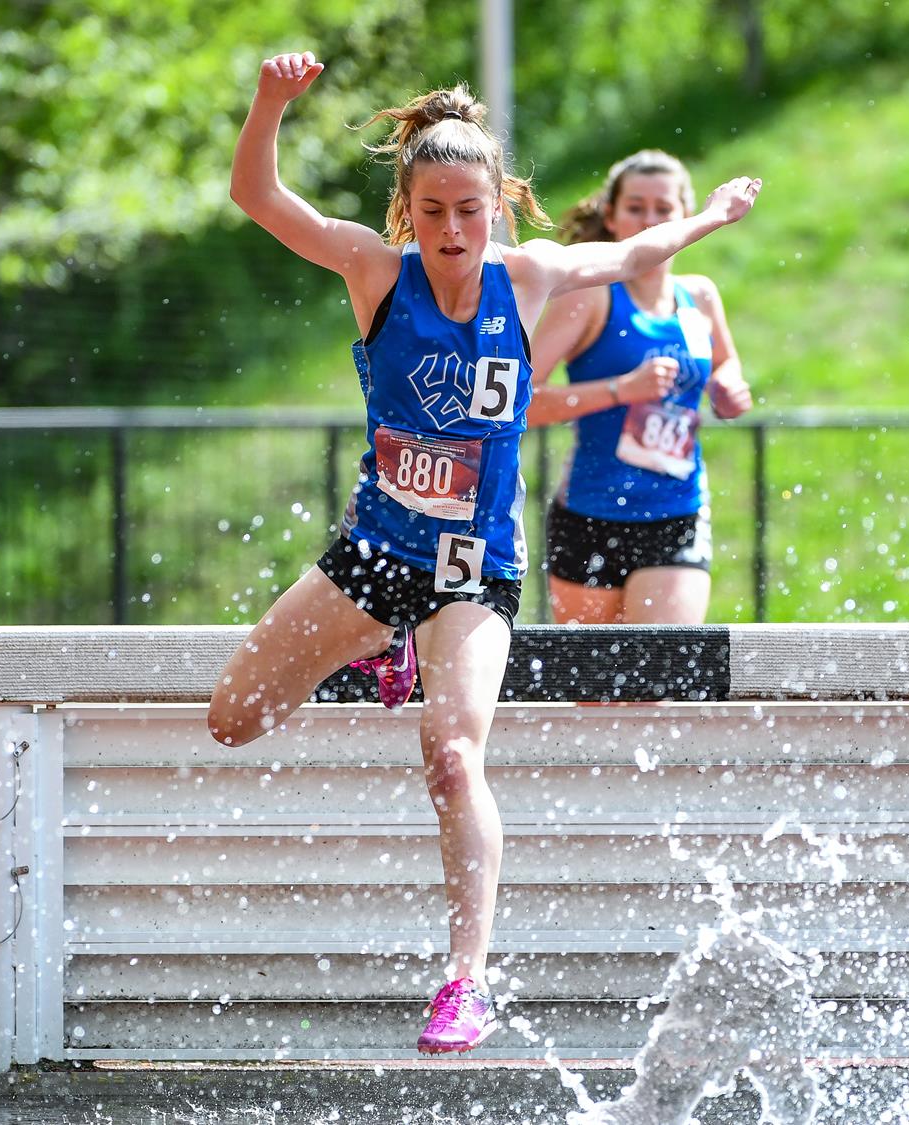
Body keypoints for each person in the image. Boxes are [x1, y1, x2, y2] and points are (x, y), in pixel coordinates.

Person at [209, 51, 761, 1054]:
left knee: (454, 755)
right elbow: (258, 197)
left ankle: (465, 979)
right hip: (376, 546)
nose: (453, 232)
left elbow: (639, 251)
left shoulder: (529, 274)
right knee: (232, 719)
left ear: (497, 207)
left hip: (474, 563)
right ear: (405, 211)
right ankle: (382, 639)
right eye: (432, 212)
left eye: (470, 211)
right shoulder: (374, 271)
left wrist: (714, 216)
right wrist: (270, 103)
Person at [528, 150, 753, 624]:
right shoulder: (589, 297)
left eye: (663, 208)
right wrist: (620, 390)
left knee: (665, 665)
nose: (650, 220)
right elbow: (517, 403)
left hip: (677, 512)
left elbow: (726, 363)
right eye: (635, 207)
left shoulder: (700, 296)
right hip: (590, 515)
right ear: (611, 216)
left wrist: (727, 386)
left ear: (685, 216)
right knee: (595, 674)